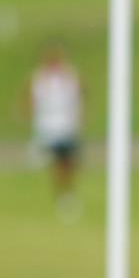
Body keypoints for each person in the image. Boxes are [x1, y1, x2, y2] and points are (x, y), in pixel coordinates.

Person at [29, 43, 83, 212]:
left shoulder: (69, 77)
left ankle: (66, 194)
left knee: (69, 163)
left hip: (66, 126)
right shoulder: (40, 79)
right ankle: (61, 195)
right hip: (49, 128)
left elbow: (79, 94)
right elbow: (32, 99)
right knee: (57, 164)